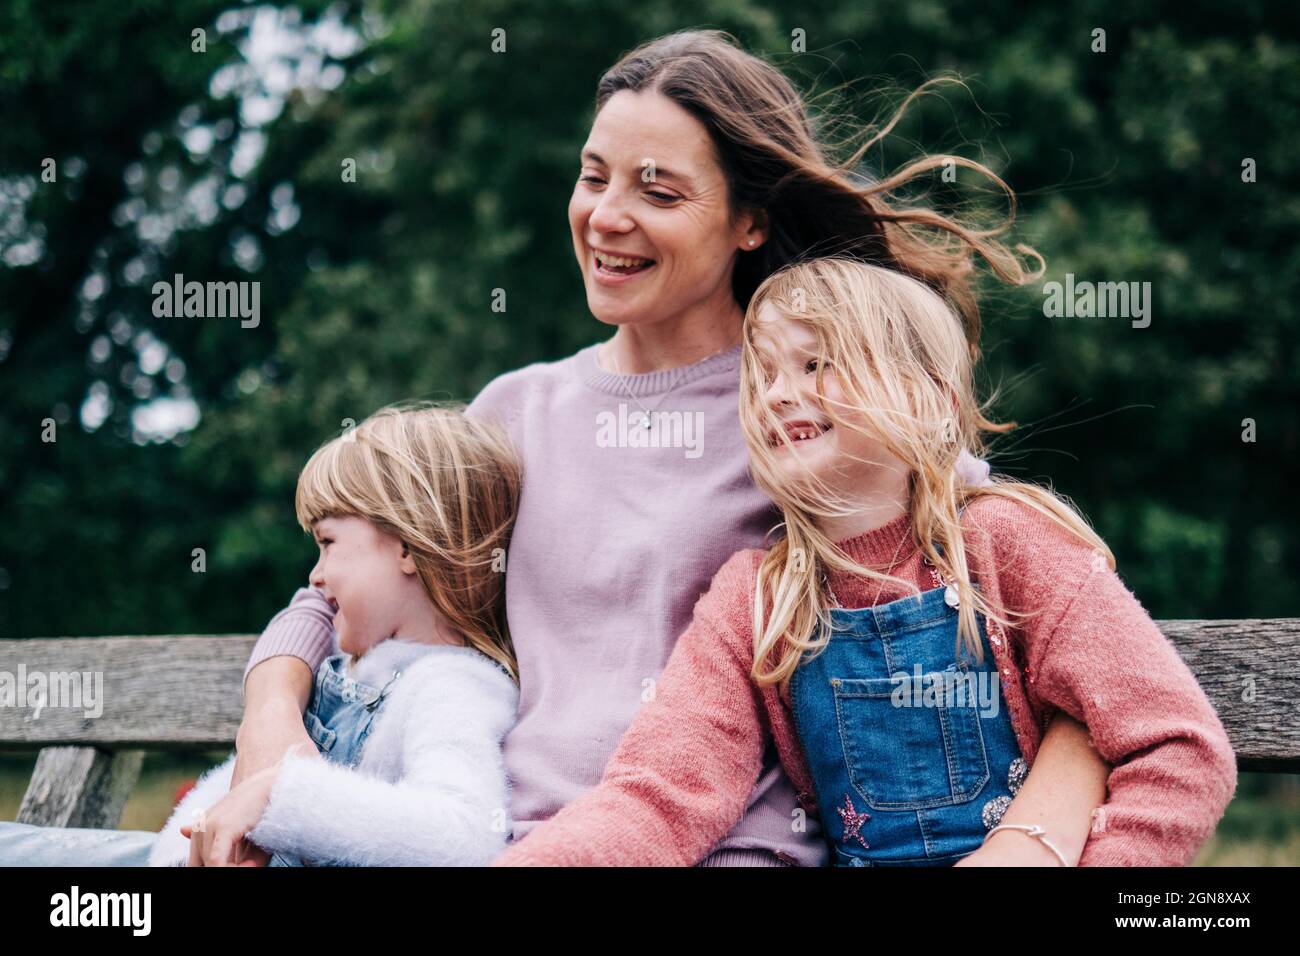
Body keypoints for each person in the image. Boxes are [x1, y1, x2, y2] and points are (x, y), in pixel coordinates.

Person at [220, 29, 1113, 867]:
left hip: (722, 849)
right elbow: (346, 579)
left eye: (658, 191)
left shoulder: (812, 421)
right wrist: (272, 714)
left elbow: (1063, 640)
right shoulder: (511, 412)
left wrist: (1031, 841)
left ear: (750, 223)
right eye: (593, 176)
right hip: (504, 845)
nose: (606, 217)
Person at [492, 258, 1238, 866]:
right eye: (765, 376)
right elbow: (661, 796)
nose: (782, 395)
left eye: (817, 364)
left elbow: (1177, 745)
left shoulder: (1007, 545)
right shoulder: (756, 599)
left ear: (932, 402)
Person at [3, 404, 521, 867]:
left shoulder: (452, 686)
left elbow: (465, 837)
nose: (314, 578)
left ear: (408, 547)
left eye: (328, 542)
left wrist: (281, 798)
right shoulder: (354, 663)